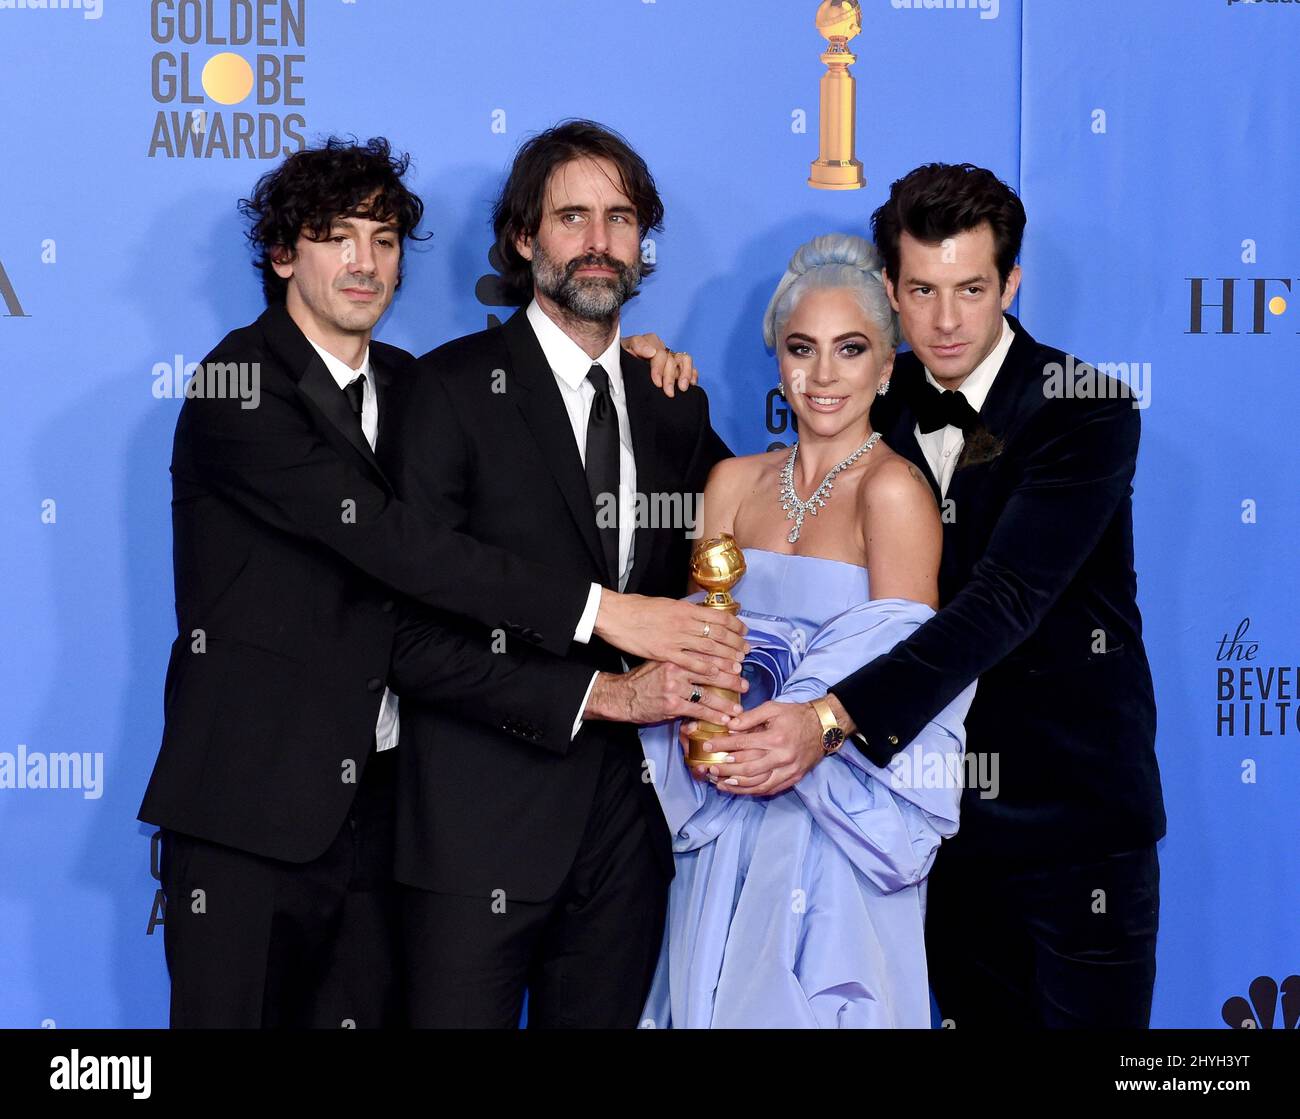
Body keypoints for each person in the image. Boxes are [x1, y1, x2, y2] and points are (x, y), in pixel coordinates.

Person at [137, 135, 747, 1028]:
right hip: (251, 809)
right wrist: (605, 616)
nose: (364, 261)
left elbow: (559, 385)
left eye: (383, 239)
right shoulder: (239, 384)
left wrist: (622, 364)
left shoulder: (409, 382)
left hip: (384, 807)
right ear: (280, 254)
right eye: (335, 235)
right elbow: (400, 547)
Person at [714, 164, 1166, 1029]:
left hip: (1074, 831)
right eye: (921, 290)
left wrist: (827, 717)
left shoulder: (1087, 409)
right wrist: (653, 371)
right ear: (890, 288)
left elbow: (1004, 600)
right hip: (932, 825)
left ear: (1012, 283)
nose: (947, 320)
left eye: (972, 289)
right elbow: (770, 492)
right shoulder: (877, 396)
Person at [390, 120, 741, 1029]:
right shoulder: (447, 391)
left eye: (620, 219)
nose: (598, 242)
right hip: (473, 840)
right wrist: (603, 694)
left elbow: (764, 524)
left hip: (631, 841)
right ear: (522, 239)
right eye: (572, 217)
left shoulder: (673, 403)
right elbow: (407, 637)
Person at [639, 233, 975, 1027]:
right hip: (722, 817)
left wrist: (802, 740)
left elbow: (913, 688)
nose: (823, 375)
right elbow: (701, 652)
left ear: (887, 366)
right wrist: (712, 727)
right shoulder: (729, 484)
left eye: (850, 349)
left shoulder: (894, 493)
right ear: (779, 360)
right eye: (802, 348)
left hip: (836, 829)